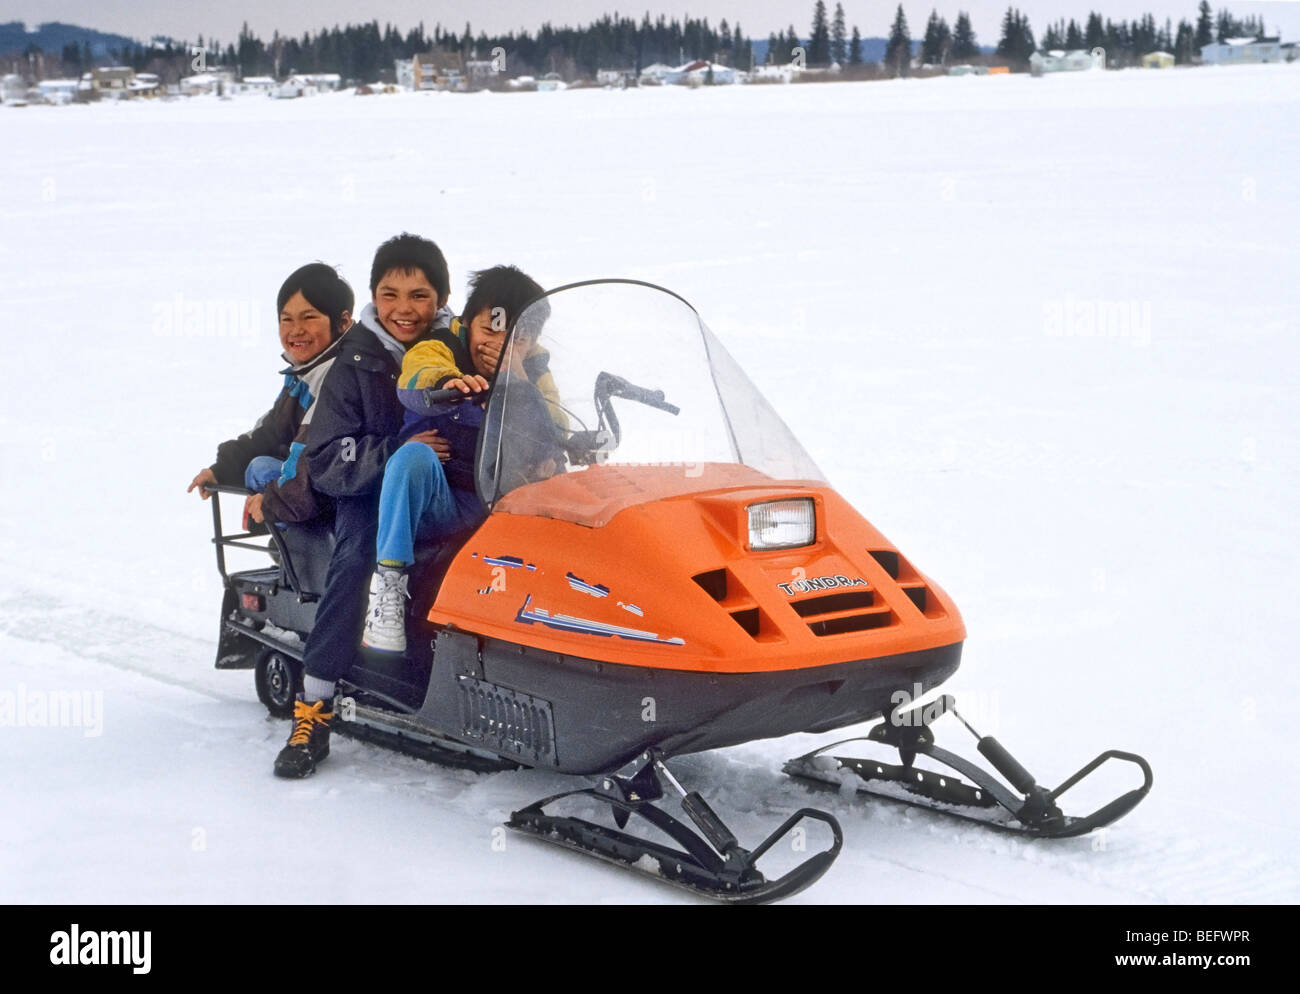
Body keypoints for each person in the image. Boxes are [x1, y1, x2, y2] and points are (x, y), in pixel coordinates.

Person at [273, 233, 453, 778]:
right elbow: (327, 455)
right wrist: (395, 451)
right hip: (367, 493)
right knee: (354, 560)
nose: (404, 309)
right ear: (374, 297)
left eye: (419, 295)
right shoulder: (355, 361)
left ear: (441, 299)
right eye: (390, 294)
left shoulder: (460, 348)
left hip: (451, 489)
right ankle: (315, 707)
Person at [361, 265, 560, 654]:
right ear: (467, 323)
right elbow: (417, 373)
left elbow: (559, 425)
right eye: (489, 330)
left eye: (517, 338)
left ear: (533, 341)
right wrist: (446, 383)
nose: (500, 345)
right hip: (447, 500)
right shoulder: (440, 348)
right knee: (412, 457)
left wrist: (518, 384)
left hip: (505, 505)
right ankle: (388, 587)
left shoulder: (534, 370)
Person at [187, 263, 352, 526]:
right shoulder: (304, 373)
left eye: (309, 317)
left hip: (333, 494)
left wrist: (275, 501)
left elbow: (307, 452)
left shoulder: (336, 375)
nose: (296, 330)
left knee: (262, 470)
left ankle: (300, 547)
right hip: (316, 486)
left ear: (343, 322)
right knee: (261, 463)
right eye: (287, 319)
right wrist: (223, 470)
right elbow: (272, 430)